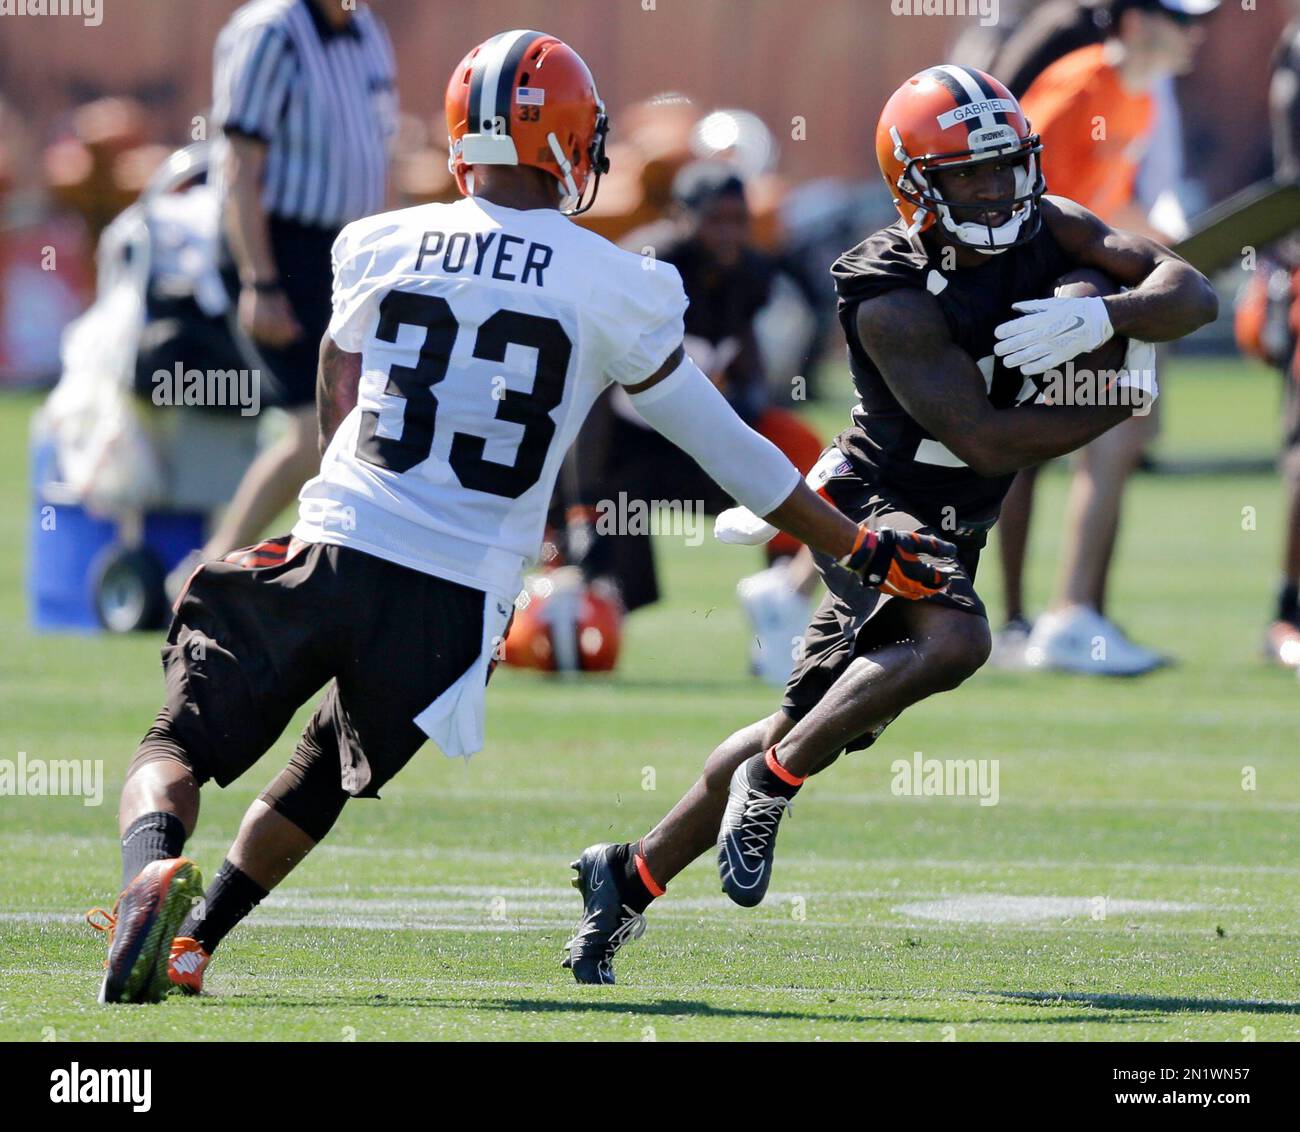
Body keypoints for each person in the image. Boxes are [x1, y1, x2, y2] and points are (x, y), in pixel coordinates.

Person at [86, 30, 956, 1004]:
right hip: (456, 606)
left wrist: (343, 478)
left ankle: (146, 877)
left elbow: (341, 374)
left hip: (338, 543)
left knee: (178, 746)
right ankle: (196, 942)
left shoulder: (377, 240)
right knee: (325, 769)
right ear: (573, 145)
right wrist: (858, 543)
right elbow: (733, 451)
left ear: (467, 141)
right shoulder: (615, 281)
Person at [564, 64, 1217, 985]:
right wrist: (1118, 397)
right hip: (875, 504)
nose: (996, 189)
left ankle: (626, 876)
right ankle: (776, 783)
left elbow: (1194, 295)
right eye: (968, 174)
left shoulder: (1054, 225)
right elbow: (985, 442)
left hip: (955, 517)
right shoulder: (891, 291)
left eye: (1004, 166)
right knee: (955, 638)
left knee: (812, 716)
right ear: (915, 183)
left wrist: (1105, 310)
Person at [989, 0, 1217, 673]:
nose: (1196, 33)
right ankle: (1057, 619)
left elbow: (1109, 206)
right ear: (1138, 23)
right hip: (1020, 302)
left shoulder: (1139, 99)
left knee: (1112, 435)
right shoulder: (1077, 86)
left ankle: (1066, 618)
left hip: (1065, 303)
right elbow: (1007, 193)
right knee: (934, 463)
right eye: (1183, 20)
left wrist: (1166, 255)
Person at [165, 0, 397, 596]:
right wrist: (260, 280)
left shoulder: (366, 29)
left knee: (354, 429)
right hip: (283, 248)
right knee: (313, 432)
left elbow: (377, 151)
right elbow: (239, 163)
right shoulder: (271, 31)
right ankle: (209, 573)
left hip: (349, 253)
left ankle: (285, 574)